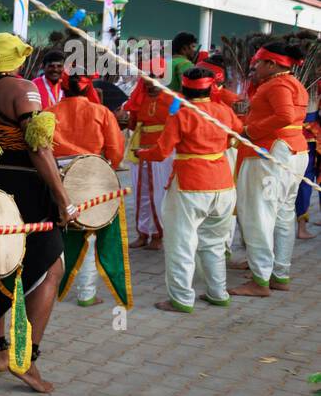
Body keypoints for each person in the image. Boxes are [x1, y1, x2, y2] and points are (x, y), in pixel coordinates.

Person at [0, 33, 79, 394]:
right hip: (25, 191)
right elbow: (38, 147)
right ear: (16, 58)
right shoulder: (21, 87)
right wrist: (62, 197)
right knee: (51, 266)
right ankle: (27, 359)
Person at [138, 63, 242, 312]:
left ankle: (182, 299)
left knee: (181, 243)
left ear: (183, 88)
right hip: (223, 184)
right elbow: (237, 132)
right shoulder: (223, 110)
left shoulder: (182, 113)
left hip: (191, 185)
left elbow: (162, 150)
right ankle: (218, 293)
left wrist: (142, 153)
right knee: (214, 242)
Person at [228, 41, 311, 296]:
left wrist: (250, 130)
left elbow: (284, 115)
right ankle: (279, 274)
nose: (255, 66)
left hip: (270, 154)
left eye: (259, 62)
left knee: (259, 215)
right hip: (292, 152)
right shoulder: (294, 84)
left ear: (272, 64)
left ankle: (260, 279)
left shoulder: (278, 85)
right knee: (283, 215)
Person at [52, 72, 125, 307]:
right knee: (90, 234)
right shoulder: (101, 112)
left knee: (54, 232)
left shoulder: (48, 113)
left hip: (56, 179)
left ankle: (48, 287)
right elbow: (115, 152)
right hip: (93, 176)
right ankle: (86, 294)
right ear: (88, 89)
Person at [121, 65, 173, 250]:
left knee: (159, 194)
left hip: (163, 153)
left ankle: (160, 234)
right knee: (140, 194)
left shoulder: (175, 100)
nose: (152, 84)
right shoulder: (139, 98)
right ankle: (143, 233)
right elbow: (132, 124)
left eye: (156, 78)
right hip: (140, 150)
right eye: (148, 79)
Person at [295, 81, 319, 241]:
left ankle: (301, 227)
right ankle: (301, 228)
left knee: (306, 181)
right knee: (305, 181)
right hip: (306, 140)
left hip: (308, 138)